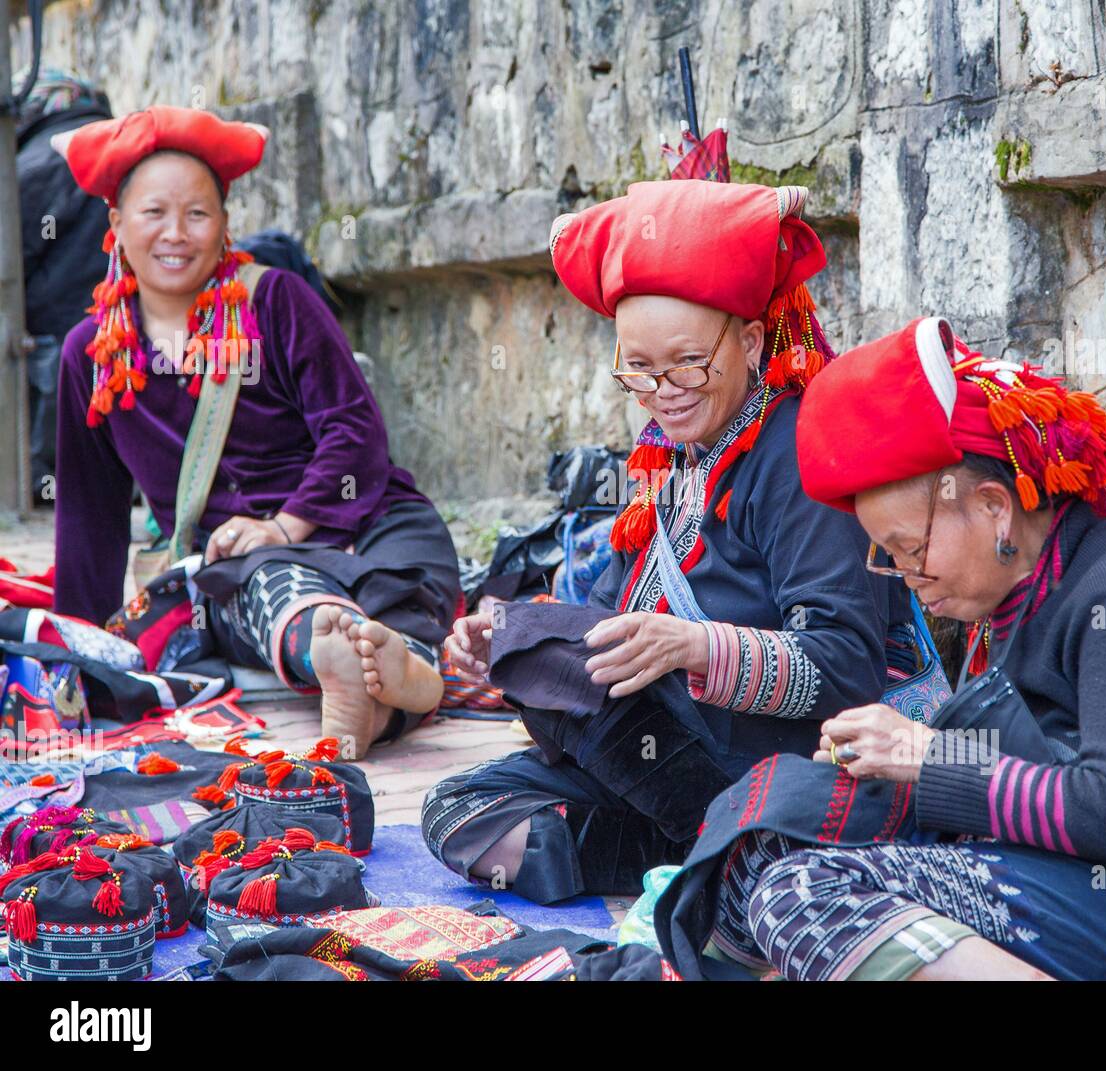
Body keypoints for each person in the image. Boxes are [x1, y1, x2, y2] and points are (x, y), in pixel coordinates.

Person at [692, 317, 1106, 980]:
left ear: (993, 507)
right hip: (1085, 873)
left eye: (911, 549)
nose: (907, 576)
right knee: (763, 862)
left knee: (804, 894)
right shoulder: (1018, 596)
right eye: (888, 556)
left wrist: (927, 755)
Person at [425, 179, 909, 903]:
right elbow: (608, 606)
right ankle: (704, 852)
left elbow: (848, 666)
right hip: (664, 755)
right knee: (457, 811)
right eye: (639, 369)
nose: (664, 391)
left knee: (545, 656)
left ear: (749, 344)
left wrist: (693, 646)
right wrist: (505, 627)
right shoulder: (668, 453)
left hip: (765, 760)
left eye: (688, 363)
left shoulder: (800, 454)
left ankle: (734, 845)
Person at [50, 106, 458, 758]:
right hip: (247, 561)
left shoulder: (276, 300)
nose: (176, 234)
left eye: (198, 214)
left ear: (224, 226)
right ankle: (352, 658)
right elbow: (88, 517)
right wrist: (76, 656)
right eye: (154, 213)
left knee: (406, 577)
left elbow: (355, 433)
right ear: (116, 226)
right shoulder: (92, 355)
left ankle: (388, 672)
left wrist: (287, 523)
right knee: (262, 579)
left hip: (369, 521)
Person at [15, 68, 112, 502]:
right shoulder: (117, 145)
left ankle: (46, 486)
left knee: (55, 419)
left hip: (51, 324)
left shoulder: (30, 167)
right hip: (119, 314)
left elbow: (14, 254)